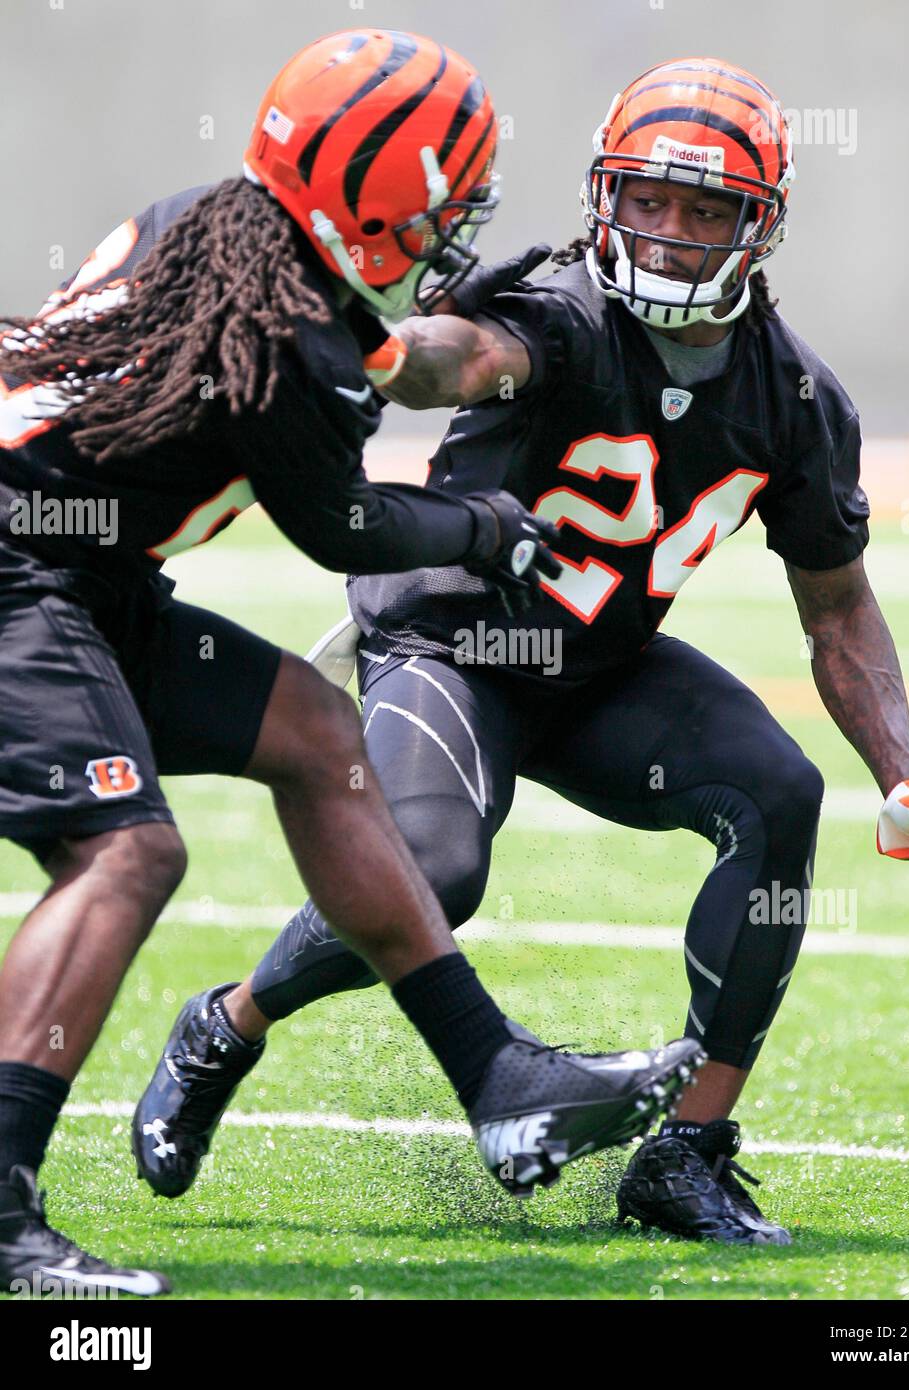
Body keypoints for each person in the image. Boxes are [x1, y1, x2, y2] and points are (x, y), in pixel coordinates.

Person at [134, 55, 909, 1247]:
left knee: (780, 792)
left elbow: (836, 605)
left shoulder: (792, 394)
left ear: (759, 225)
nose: (669, 231)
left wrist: (900, 769)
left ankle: (685, 1151)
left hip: (599, 668)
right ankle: (227, 1019)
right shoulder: (558, 310)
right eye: (646, 199)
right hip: (455, 642)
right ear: (606, 195)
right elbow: (460, 355)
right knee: (433, 868)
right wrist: (385, 344)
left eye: (703, 210)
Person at [0, 30, 704, 1298]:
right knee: (125, 850)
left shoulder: (224, 231)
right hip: (18, 577)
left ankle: (495, 1079)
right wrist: (491, 529)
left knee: (319, 737)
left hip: (82, 577)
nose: (458, 224)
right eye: (450, 199)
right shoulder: (286, 336)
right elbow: (346, 523)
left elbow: (336, 375)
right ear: (384, 197)